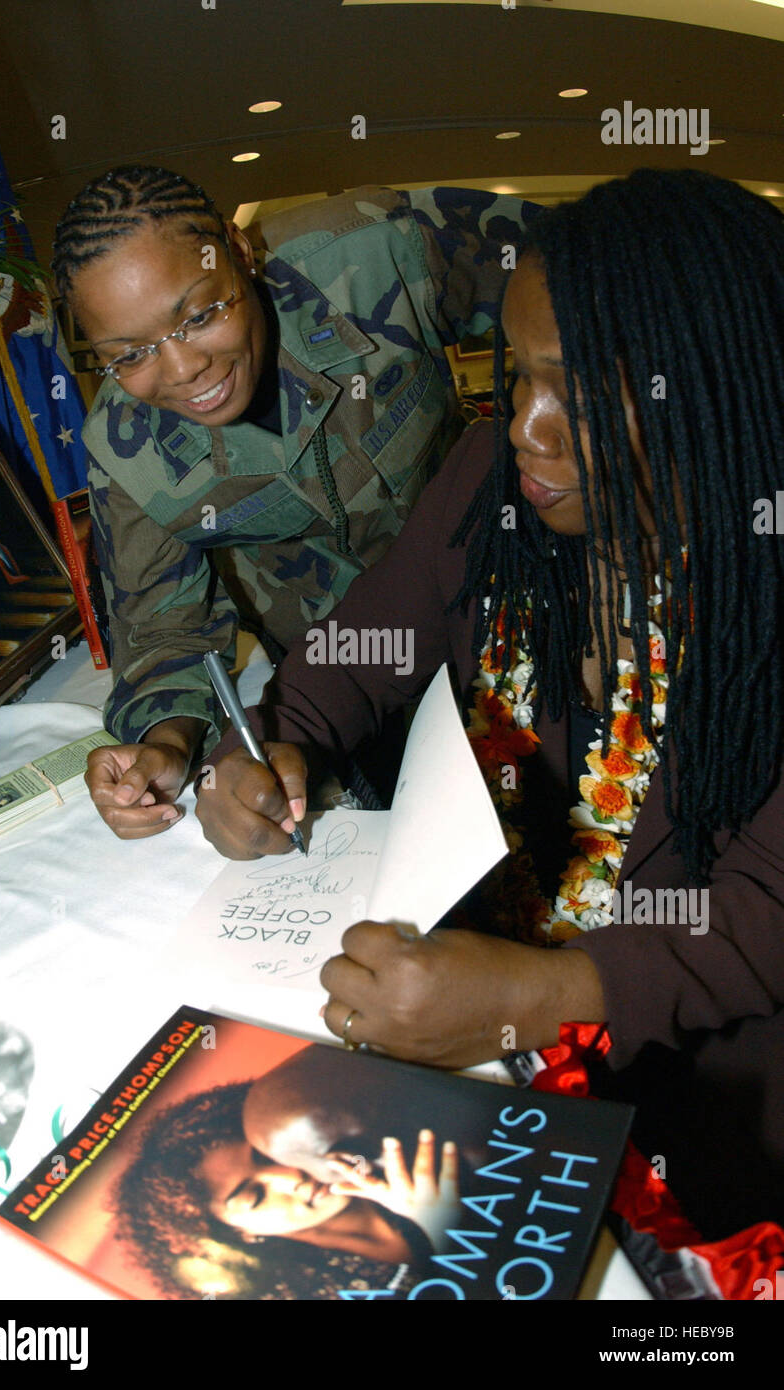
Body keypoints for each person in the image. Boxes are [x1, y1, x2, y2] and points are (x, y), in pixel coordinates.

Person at [195, 168, 784, 1243]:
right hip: (467, 969)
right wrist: (276, 746)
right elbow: (358, 651)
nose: (525, 427)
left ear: (706, 393)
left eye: (574, 394)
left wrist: (537, 995)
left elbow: (761, 917)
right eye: (516, 381)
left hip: (694, 1086)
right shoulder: (490, 481)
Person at [50, 166, 534, 838]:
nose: (181, 368)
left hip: (517, 630)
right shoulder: (123, 450)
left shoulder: (373, 251)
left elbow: (591, 280)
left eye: (199, 315)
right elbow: (166, 635)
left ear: (237, 252)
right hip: (341, 696)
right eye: (128, 354)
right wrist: (165, 745)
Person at [115, 1076, 460, 1299]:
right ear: (238, 1234)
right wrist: (441, 1231)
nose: (291, 1177)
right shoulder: (293, 1293)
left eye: (266, 1154)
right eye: (254, 1196)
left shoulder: (396, 1157)